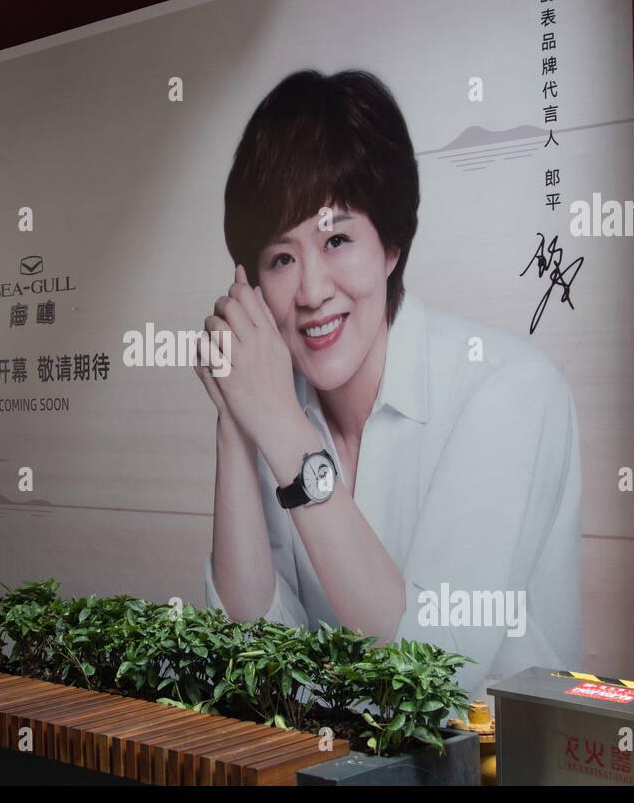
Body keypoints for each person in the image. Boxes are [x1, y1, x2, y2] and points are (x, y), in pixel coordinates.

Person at [195, 70, 581, 698]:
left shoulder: (510, 391)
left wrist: (283, 431)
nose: (313, 291)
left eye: (337, 239)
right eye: (282, 258)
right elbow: (244, 659)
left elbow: (430, 674)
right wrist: (236, 423)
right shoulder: (275, 405)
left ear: (392, 246)